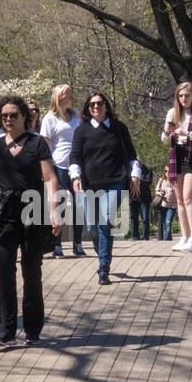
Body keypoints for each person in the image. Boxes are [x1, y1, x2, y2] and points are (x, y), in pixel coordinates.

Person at [0, 95, 61, 347]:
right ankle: (5, 331)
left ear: (24, 117)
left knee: (31, 272)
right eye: (4, 116)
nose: (8, 119)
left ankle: (32, 330)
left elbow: (50, 177)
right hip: (5, 213)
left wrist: (54, 210)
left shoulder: (37, 143)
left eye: (13, 115)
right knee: (4, 269)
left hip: (33, 210)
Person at [70, 92, 141, 285]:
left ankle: (103, 268)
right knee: (93, 227)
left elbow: (132, 154)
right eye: (91, 104)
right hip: (90, 183)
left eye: (99, 103)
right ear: (87, 108)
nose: (95, 107)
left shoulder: (119, 128)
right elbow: (75, 156)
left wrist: (135, 175)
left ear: (106, 106)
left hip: (115, 181)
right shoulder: (81, 131)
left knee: (106, 220)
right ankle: (101, 248)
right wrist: (75, 176)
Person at [161, 82, 192, 253]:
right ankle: (185, 236)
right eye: (181, 96)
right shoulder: (172, 113)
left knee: (189, 198)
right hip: (177, 155)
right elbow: (165, 139)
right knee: (180, 199)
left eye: (187, 95)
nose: (184, 99)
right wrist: (167, 131)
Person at [40, 84, 85, 259]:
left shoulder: (77, 116)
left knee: (79, 204)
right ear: (59, 98)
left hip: (76, 166)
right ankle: (57, 245)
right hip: (58, 165)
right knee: (59, 205)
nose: (72, 97)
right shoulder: (49, 119)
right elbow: (44, 145)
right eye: (68, 95)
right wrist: (46, 168)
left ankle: (78, 243)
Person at [129, 162, 153, 241]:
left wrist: (137, 180)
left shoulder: (147, 169)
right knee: (133, 218)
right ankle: (135, 236)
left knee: (145, 218)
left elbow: (149, 181)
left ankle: (145, 237)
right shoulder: (130, 169)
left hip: (144, 197)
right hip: (133, 197)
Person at [152, 167, 177, 241]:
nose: (168, 173)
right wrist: (160, 193)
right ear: (164, 172)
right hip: (163, 205)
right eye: (166, 171)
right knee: (164, 224)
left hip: (172, 206)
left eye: (169, 171)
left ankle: (166, 240)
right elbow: (156, 190)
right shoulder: (161, 180)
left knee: (168, 222)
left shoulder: (176, 181)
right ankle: (169, 239)